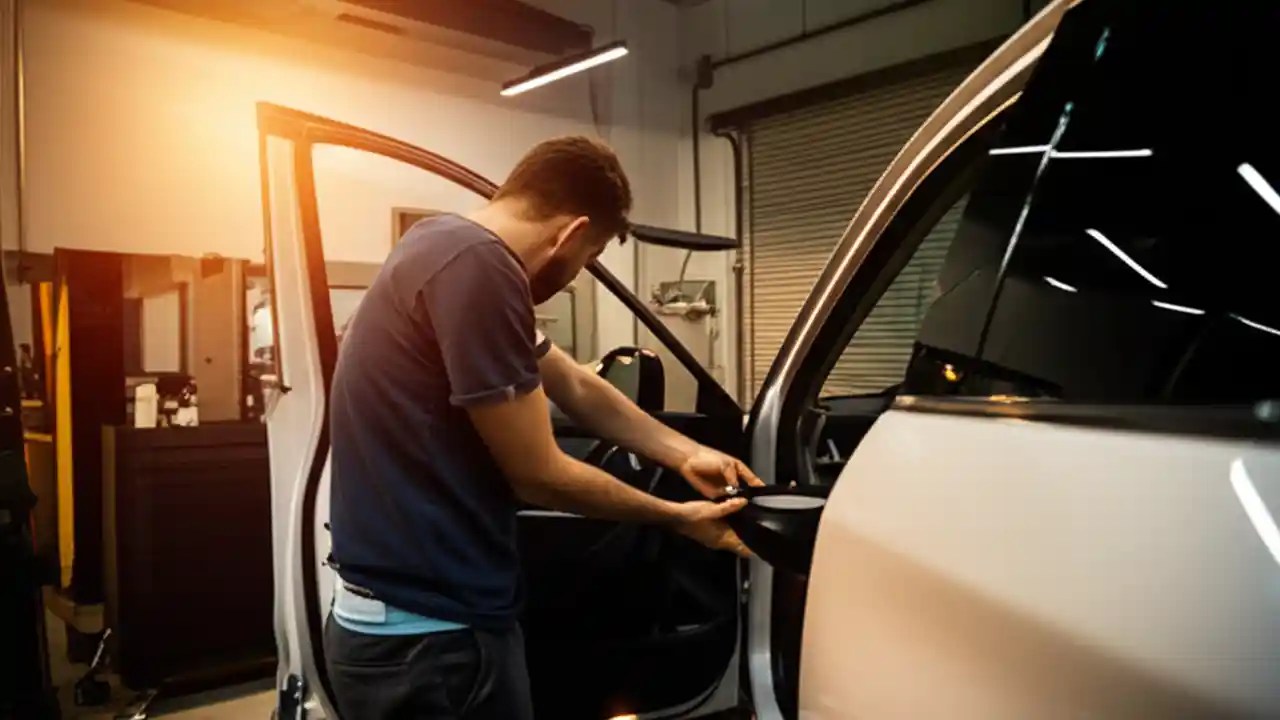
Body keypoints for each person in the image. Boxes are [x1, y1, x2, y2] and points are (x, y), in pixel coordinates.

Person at [323, 135, 761, 719]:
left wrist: (684, 454)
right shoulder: (481, 269)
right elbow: (540, 475)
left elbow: (573, 383)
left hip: (399, 629)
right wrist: (678, 518)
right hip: (435, 645)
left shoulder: (437, 244)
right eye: (590, 257)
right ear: (572, 233)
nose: (575, 275)